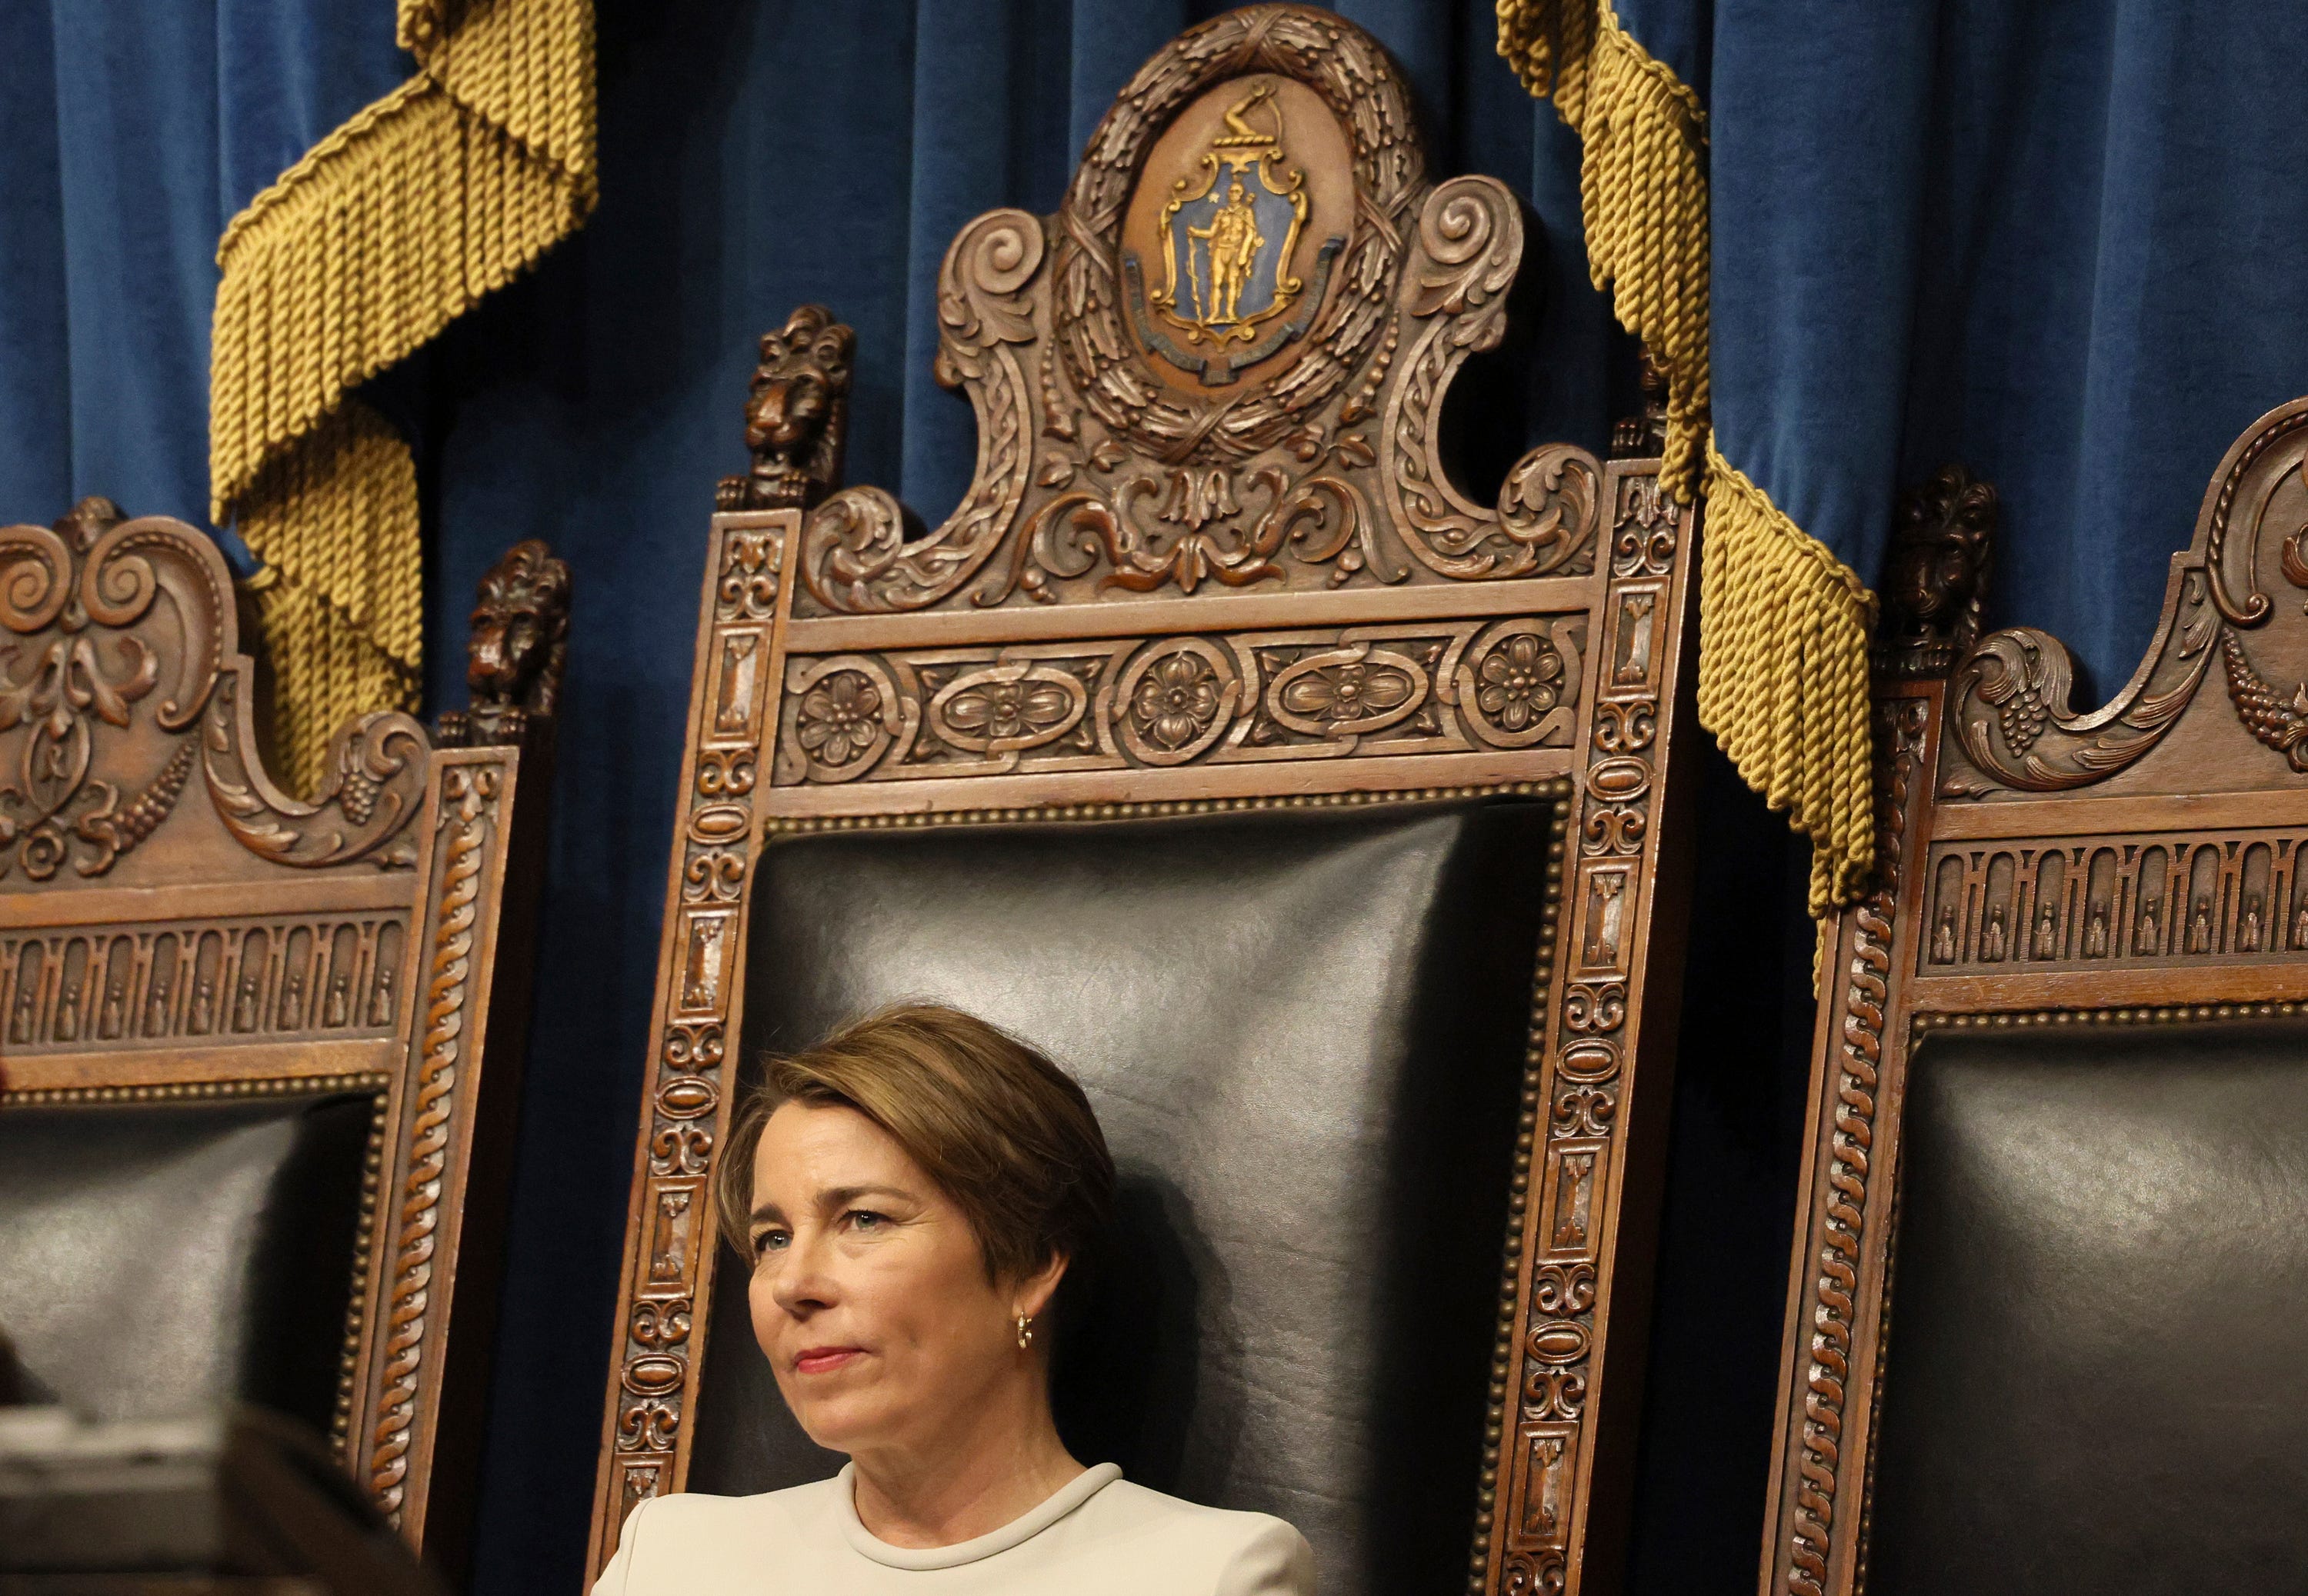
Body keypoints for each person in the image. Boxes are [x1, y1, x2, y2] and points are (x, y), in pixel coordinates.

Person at [593, 1003, 1315, 1594]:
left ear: (1032, 1262)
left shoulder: (1214, 1575)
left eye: (864, 1219)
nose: (792, 1285)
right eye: (772, 1238)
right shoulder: (671, 1559)